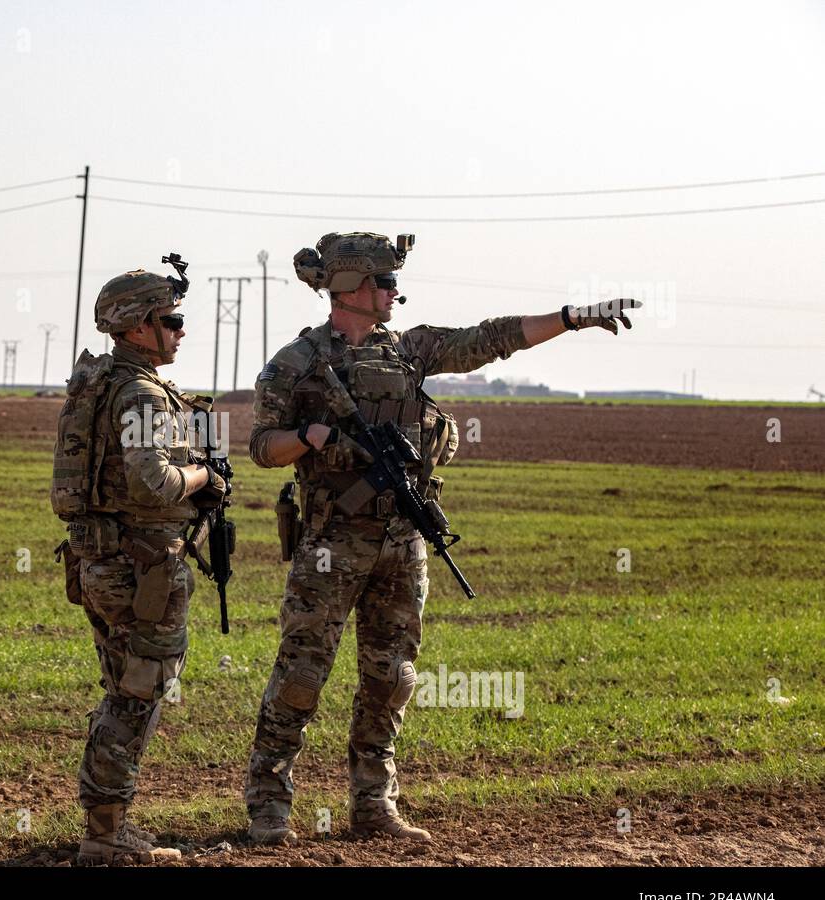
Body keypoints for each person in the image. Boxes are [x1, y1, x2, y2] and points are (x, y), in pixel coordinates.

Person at [244, 231, 639, 846]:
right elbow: (263, 447)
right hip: (331, 545)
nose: (394, 294)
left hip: (403, 540)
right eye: (384, 283)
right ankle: (269, 807)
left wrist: (570, 320)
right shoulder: (296, 364)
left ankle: (375, 805)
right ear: (350, 288)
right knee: (300, 676)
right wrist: (312, 438)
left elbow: (490, 339)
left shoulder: (410, 350)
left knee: (391, 677)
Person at [51, 258, 227, 865]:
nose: (180, 331)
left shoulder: (98, 384)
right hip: (140, 567)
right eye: (170, 320)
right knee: (139, 692)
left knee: (123, 687)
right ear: (135, 328)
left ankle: (105, 821)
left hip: (99, 561)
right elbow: (152, 482)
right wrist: (205, 476)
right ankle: (105, 833)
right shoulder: (142, 395)